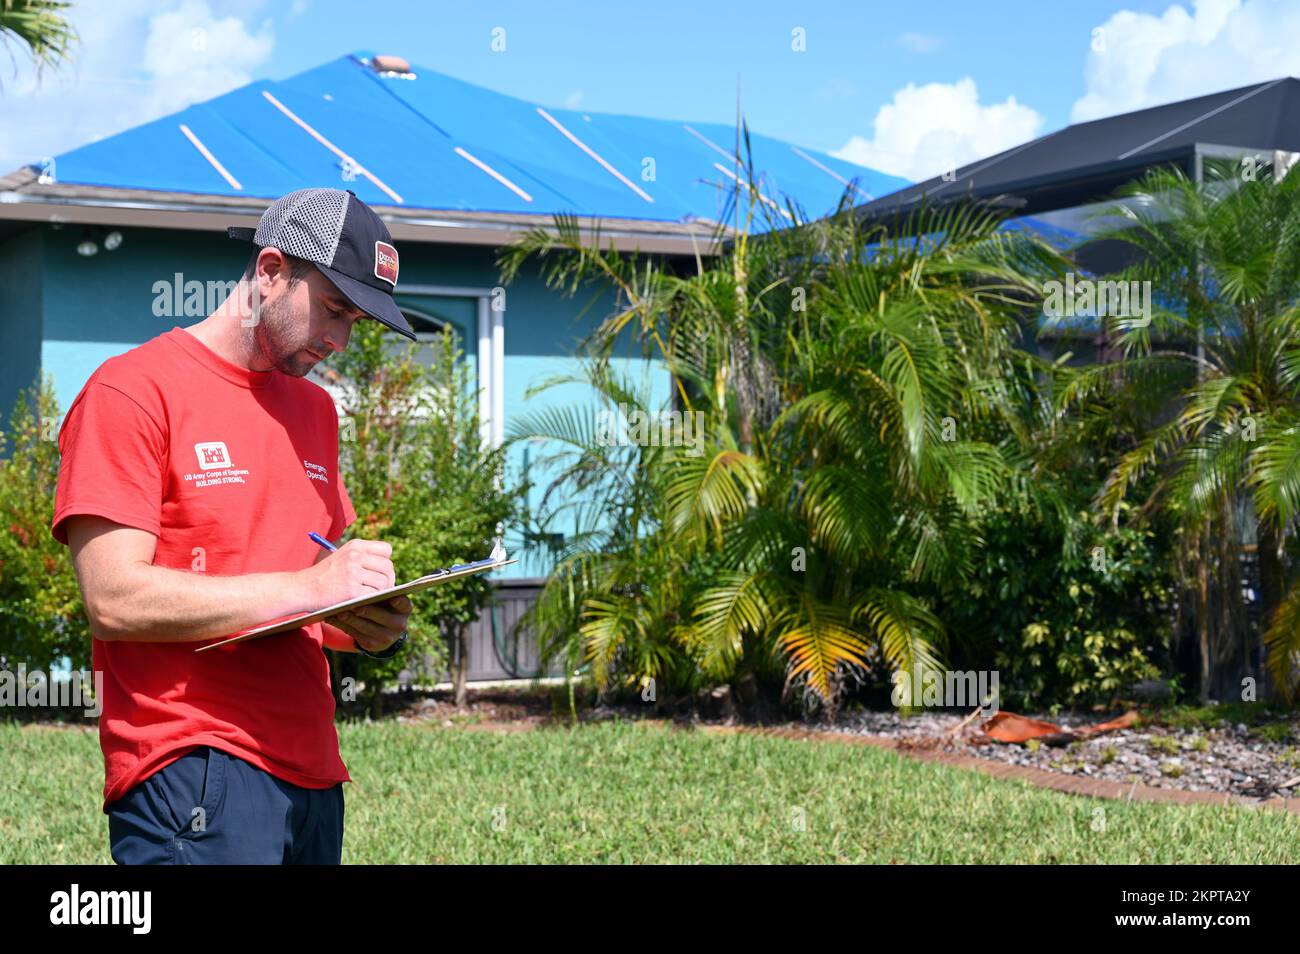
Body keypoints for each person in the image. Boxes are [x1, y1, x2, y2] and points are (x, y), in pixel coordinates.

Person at [50, 188, 417, 864]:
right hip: (193, 768)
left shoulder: (316, 412)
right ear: (271, 271)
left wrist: (367, 623)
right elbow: (113, 598)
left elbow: (314, 597)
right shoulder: (132, 391)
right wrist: (312, 588)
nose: (340, 339)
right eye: (333, 309)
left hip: (312, 773)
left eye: (356, 321)